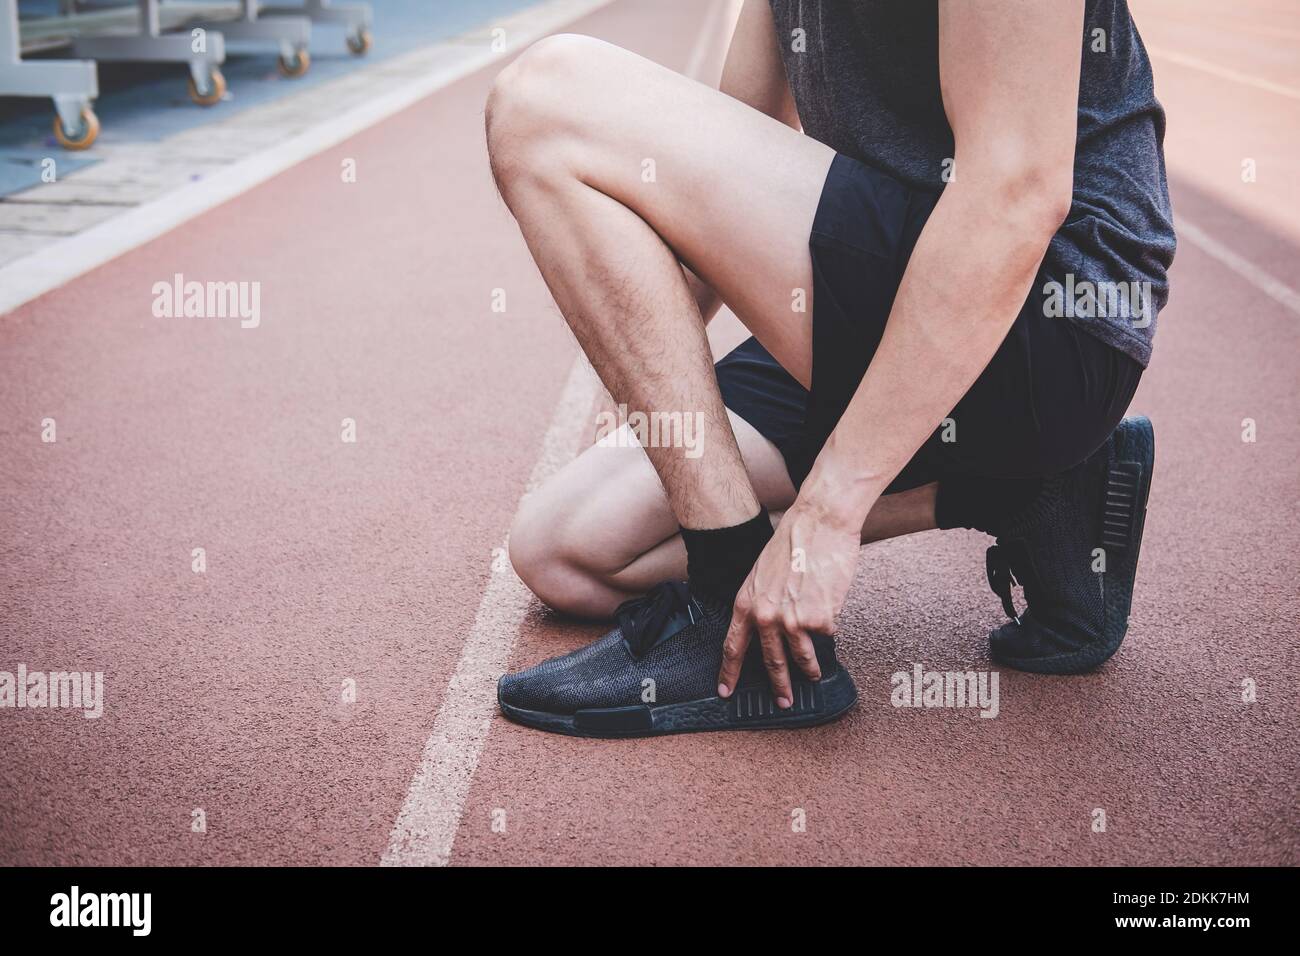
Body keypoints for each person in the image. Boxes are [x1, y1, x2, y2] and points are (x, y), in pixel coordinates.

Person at [485, 0, 1174, 737]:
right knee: (565, 548)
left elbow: (1014, 200)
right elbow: (712, 159)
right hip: (896, 291)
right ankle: (1029, 494)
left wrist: (829, 512)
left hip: (1042, 321)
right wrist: (656, 390)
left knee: (543, 100)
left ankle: (724, 602)